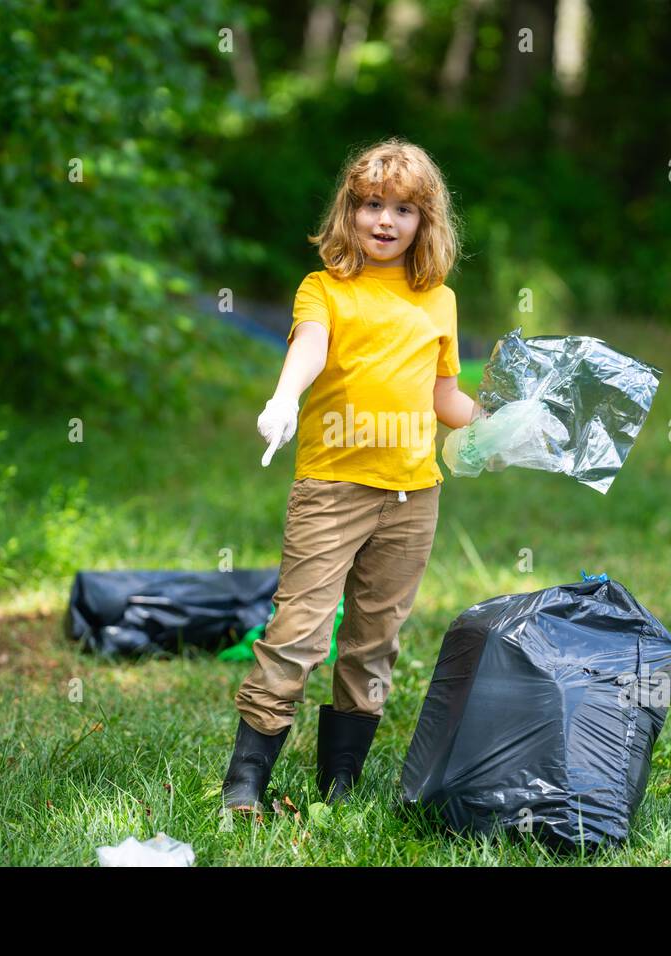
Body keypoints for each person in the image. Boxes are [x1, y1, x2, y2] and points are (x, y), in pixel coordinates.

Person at [221, 138, 483, 812]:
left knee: (374, 644)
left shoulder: (438, 300)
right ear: (350, 210)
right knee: (298, 632)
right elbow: (310, 347)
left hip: (412, 496)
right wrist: (284, 398)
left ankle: (339, 787)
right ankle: (245, 783)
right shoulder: (325, 288)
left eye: (403, 209)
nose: (386, 220)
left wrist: (501, 427)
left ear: (427, 222)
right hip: (333, 489)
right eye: (372, 204)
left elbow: (443, 397)